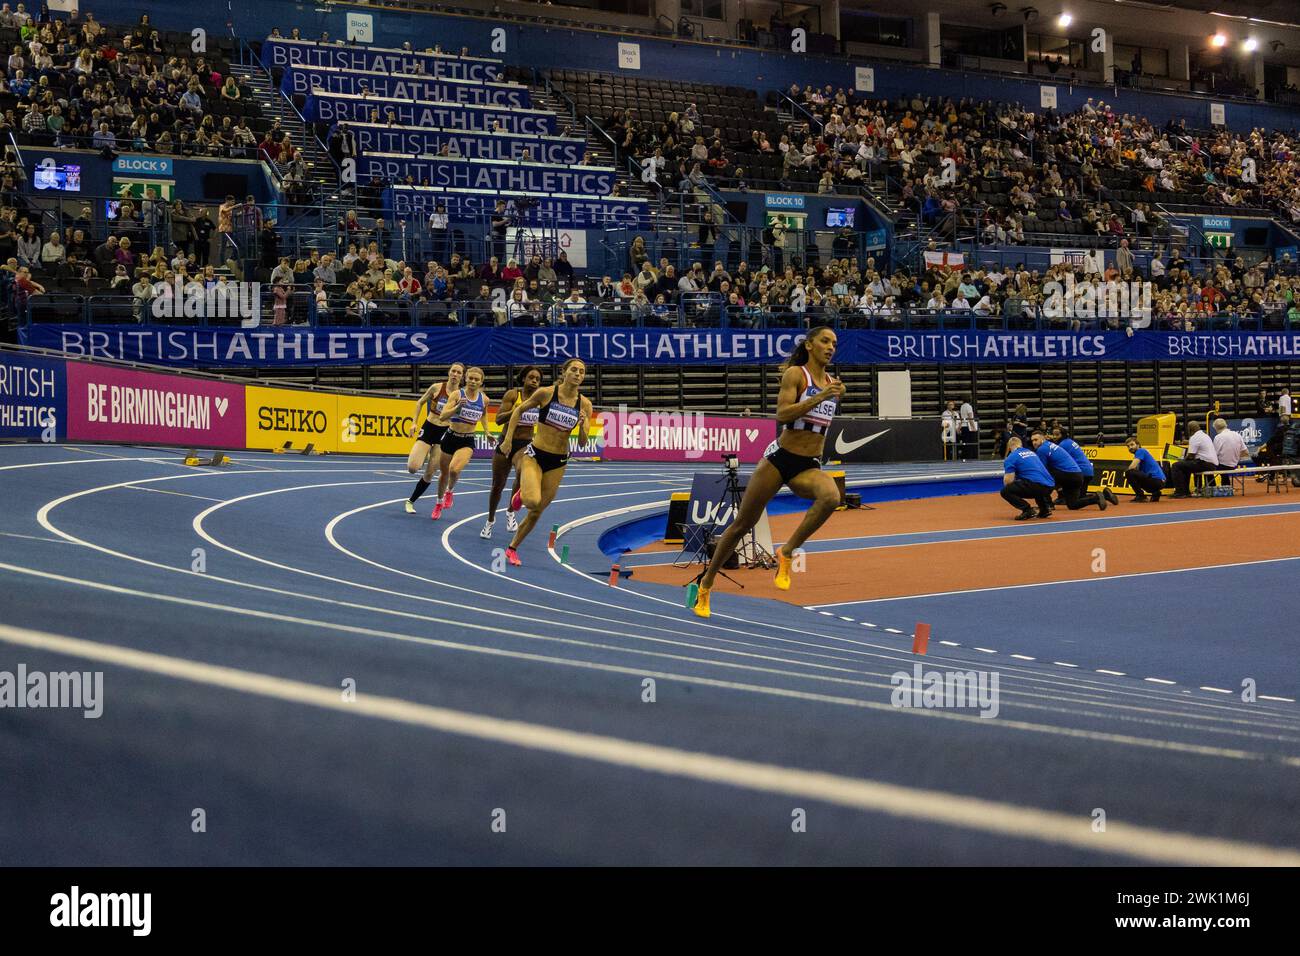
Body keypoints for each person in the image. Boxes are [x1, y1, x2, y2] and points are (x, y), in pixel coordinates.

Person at [693, 327, 844, 618]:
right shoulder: (797, 375)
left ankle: (787, 552)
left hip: (808, 465)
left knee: (830, 497)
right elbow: (783, 414)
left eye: (834, 344)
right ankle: (706, 584)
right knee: (741, 524)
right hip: (779, 459)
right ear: (810, 345)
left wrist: (828, 395)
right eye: (825, 341)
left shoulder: (836, 386)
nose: (830, 347)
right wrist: (819, 396)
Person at [497, 358, 594, 566]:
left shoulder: (585, 404)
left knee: (537, 510)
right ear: (564, 372)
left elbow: (584, 442)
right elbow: (518, 411)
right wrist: (507, 439)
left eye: (582, 372)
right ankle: (521, 494)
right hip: (535, 455)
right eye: (574, 370)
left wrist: (584, 425)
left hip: (558, 461)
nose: (578, 374)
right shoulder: (546, 393)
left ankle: (512, 548)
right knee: (531, 500)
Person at [481, 366, 542, 539]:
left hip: (525, 443)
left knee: (523, 473)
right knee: (497, 486)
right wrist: (519, 409)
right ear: (523, 379)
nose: (534, 381)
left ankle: (510, 512)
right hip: (506, 441)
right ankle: (490, 520)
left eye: (537, 379)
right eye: (531, 377)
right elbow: (499, 419)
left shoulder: (540, 399)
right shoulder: (513, 395)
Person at [430, 367, 490, 520]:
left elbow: (483, 415)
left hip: (467, 439)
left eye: (476, 379)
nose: (473, 381)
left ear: (481, 382)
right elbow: (443, 416)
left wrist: (487, 432)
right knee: (444, 474)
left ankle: (450, 491)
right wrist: (458, 407)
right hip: (451, 436)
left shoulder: (484, 399)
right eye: (470, 378)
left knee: (454, 470)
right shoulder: (457, 395)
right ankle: (438, 503)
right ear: (466, 379)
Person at [403, 363, 464, 514]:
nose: (455, 374)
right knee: (412, 468)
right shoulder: (436, 387)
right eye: (453, 371)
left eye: (459, 373)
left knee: (430, 473)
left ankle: (410, 501)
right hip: (429, 427)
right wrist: (414, 423)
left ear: (462, 376)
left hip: (444, 433)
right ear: (449, 372)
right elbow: (420, 402)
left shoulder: (461, 396)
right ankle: (422, 456)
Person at [1031, 430, 1109, 511]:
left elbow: (1042, 470)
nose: (1034, 443)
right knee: (1073, 504)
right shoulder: (1051, 445)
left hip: (1069, 475)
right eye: (1032, 440)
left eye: (1036, 440)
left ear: (1043, 439)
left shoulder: (1042, 449)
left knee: (1041, 480)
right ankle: (1096, 498)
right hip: (1077, 475)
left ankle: (1048, 505)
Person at [1001, 435, 1055, 520]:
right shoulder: (1032, 453)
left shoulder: (1011, 457)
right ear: (1021, 445)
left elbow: (1008, 481)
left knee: (1005, 491)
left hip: (1037, 486)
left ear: (1010, 447)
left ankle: (1027, 509)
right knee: (1034, 482)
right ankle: (1044, 509)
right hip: (1050, 485)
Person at [1169, 423, 1219, 498]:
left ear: (1189, 430)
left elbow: (1191, 455)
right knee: (1185, 467)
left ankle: (1180, 492)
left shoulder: (1194, 437)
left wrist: (1182, 459)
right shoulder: (1205, 435)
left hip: (1204, 463)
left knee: (1176, 466)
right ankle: (1185, 492)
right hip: (1211, 464)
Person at [1125, 436, 1166, 502]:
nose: (1130, 447)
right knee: (1135, 475)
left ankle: (1141, 496)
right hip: (1160, 482)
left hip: (1156, 480)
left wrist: (1127, 473)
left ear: (1138, 445)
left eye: (1132, 444)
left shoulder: (1140, 451)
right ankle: (1155, 492)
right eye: (1128, 446)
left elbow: (1131, 468)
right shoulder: (1141, 453)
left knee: (1129, 473)